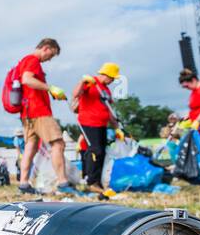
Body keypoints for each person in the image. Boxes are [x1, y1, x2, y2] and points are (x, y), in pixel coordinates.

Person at [15, 39, 71, 194]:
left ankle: (24, 184)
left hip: (27, 113)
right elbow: (27, 79)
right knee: (58, 143)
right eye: (51, 55)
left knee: (30, 147)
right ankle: (63, 183)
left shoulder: (24, 61)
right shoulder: (33, 60)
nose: (50, 59)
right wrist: (50, 88)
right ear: (46, 48)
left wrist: (49, 93)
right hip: (39, 111)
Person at [72, 62, 123, 188]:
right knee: (95, 150)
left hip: (102, 124)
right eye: (112, 78)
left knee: (102, 152)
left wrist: (117, 128)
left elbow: (109, 111)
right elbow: (75, 94)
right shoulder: (90, 83)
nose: (112, 81)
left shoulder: (106, 90)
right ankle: (91, 180)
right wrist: (83, 82)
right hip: (89, 122)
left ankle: (98, 181)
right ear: (107, 75)